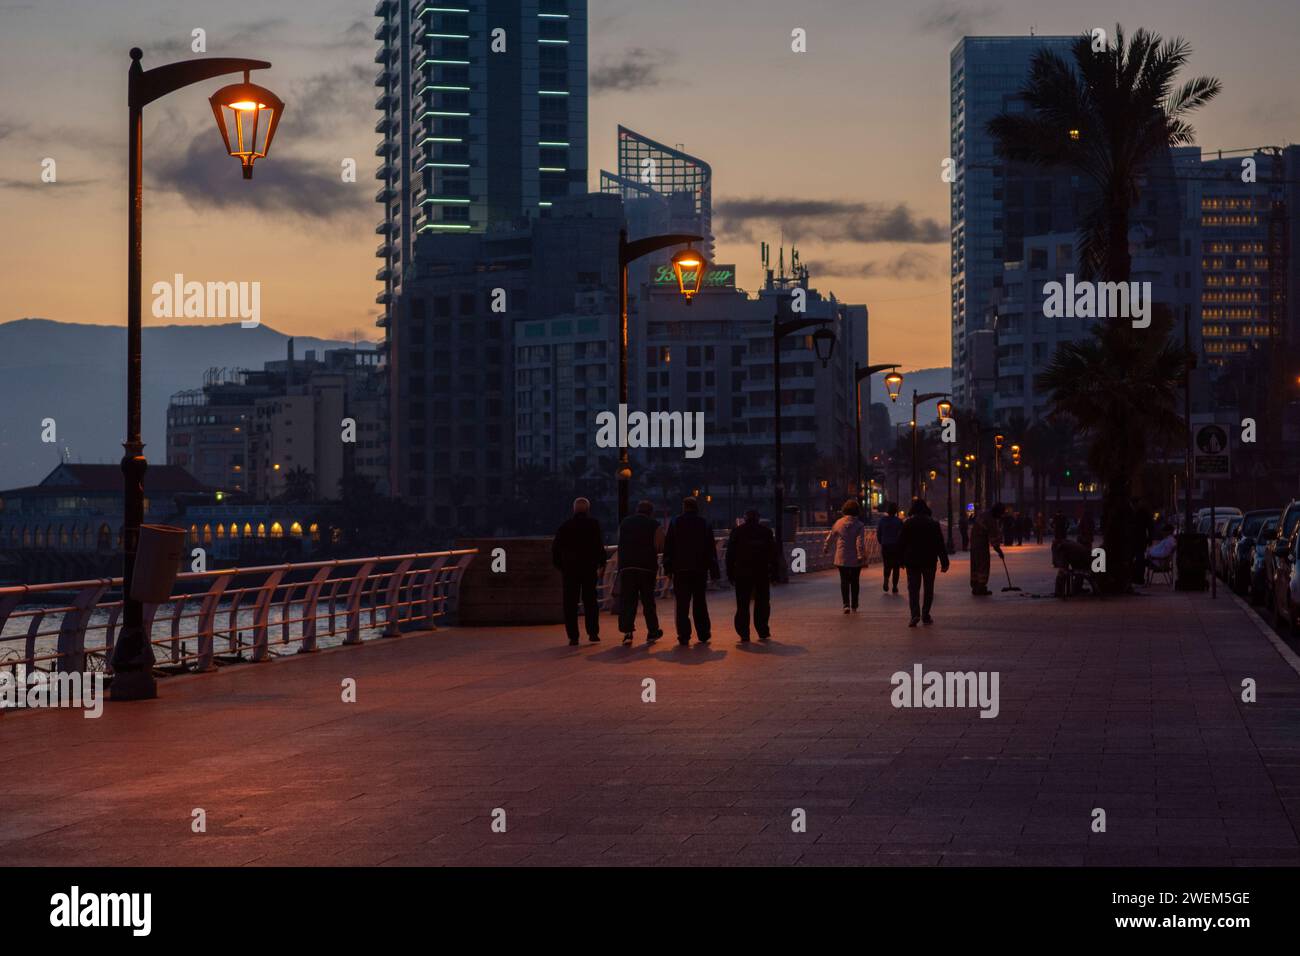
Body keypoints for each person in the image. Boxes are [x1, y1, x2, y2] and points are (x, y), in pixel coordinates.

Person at [662, 496, 720, 645]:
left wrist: (668, 568)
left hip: (680, 570)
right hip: (699, 570)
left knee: (682, 605)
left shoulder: (675, 523)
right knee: (700, 602)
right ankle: (703, 633)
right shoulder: (704, 523)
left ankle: (684, 635)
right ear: (696, 507)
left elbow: (668, 547)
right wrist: (714, 572)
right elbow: (710, 550)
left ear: (683, 507)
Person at [551, 497, 607, 645]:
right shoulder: (593, 525)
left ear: (574, 509)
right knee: (590, 601)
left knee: (570, 603)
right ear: (588, 509)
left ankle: (573, 636)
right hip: (589, 569)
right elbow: (599, 545)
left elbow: (555, 550)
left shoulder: (565, 526)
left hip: (570, 570)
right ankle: (593, 633)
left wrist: (562, 567)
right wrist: (601, 563)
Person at [725, 509, 779, 642]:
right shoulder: (766, 532)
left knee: (742, 604)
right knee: (762, 602)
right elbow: (773, 555)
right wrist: (774, 573)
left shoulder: (737, 532)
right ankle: (762, 630)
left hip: (742, 572)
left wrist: (730, 572)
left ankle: (744, 632)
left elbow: (730, 554)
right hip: (761, 572)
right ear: (758, 518)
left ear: (745, 518)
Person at [616, 499, 665, 645]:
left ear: (637, 510)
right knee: (648, 601)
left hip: (627, 567)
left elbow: (619, 540)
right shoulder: (654, 525)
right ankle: (652, 631)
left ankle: (627, 632)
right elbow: (660, 546)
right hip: (646, 568)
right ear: (651, 512)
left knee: (628, 600)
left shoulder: (624, 523)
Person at [900, 499, 950, 626]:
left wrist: (900, 560)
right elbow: (939, 544)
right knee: (928, 589)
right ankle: (926, 614)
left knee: (913, 589)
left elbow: (901, 543)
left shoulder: (907, 524)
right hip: (929, 560)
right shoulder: (933, 524)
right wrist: (944, 561)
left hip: (912, 561)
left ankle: (915, 614)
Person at [824, 499, 868, 612]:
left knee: (844, 580)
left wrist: (826, 548)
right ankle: (854, 604)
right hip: (854, 558)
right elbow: (860, 542)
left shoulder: (838, 523)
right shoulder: (859, 525)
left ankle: (845, 604)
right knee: (855, 581)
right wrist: (860, 555)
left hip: (841, 556)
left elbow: (831, 537)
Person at [969, 503, 1006, 596]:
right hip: (981, 544)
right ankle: (981, 587)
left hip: (973, 542)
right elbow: (994, 539)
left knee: (975, 565)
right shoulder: (991, 520)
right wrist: (999, 551)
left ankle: (975, 586)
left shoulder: (984, 514)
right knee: (983, 565)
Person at [876, 503, 904, 594]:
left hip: (886, 545)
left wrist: (882, 541)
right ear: (895, 511)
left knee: (887, 564)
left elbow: (879, 533)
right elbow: (902, 534)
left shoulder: (882, 520)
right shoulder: (898, 521)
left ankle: (886, 579)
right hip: (896, 546)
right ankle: (895, 586)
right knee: (896, 567)